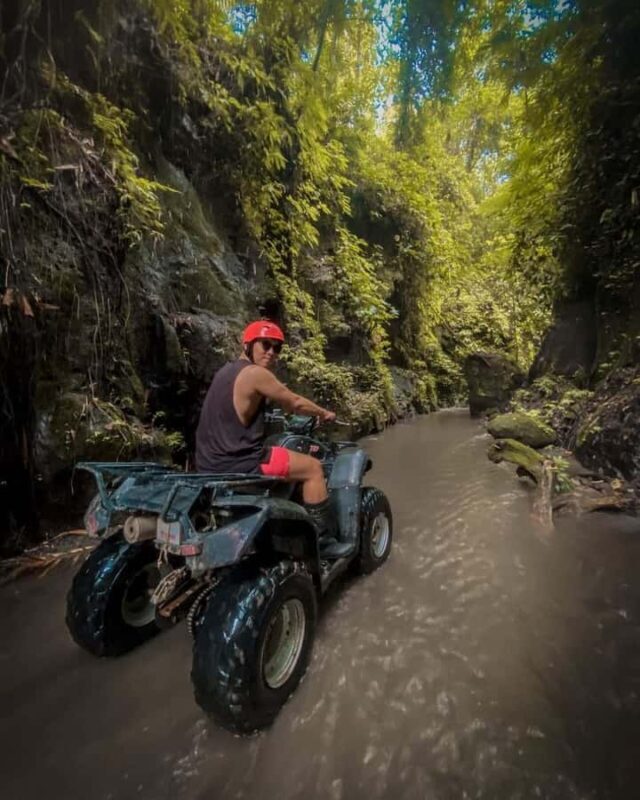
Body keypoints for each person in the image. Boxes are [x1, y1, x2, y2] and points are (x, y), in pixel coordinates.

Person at [196, 320, 350, 554]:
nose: (271, 352)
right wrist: (324, 412)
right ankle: (322, 541)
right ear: (247, 344)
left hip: (208, 463)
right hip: (241, 463)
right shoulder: (255, 373)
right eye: (265, 344)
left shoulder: (226, 371)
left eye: (277, 348)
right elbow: (294, 402)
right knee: (313, 467)